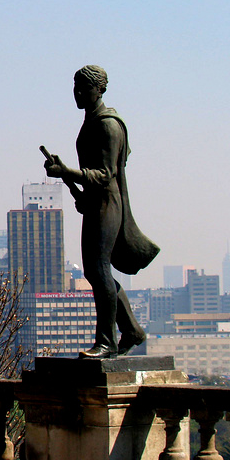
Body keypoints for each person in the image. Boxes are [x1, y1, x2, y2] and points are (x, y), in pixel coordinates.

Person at [43, 65, 159, 359]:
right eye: (75, 87)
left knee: (98, 269)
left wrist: (66, 171)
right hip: (97, 202)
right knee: (96, 271)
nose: (78, 93)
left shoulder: (108, 125)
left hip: (108, 203)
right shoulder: (92, 122)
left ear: (99, 90)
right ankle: (131, 331)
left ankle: (107, 341)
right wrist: (75, 186)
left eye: (84, 88)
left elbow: (106, 174)